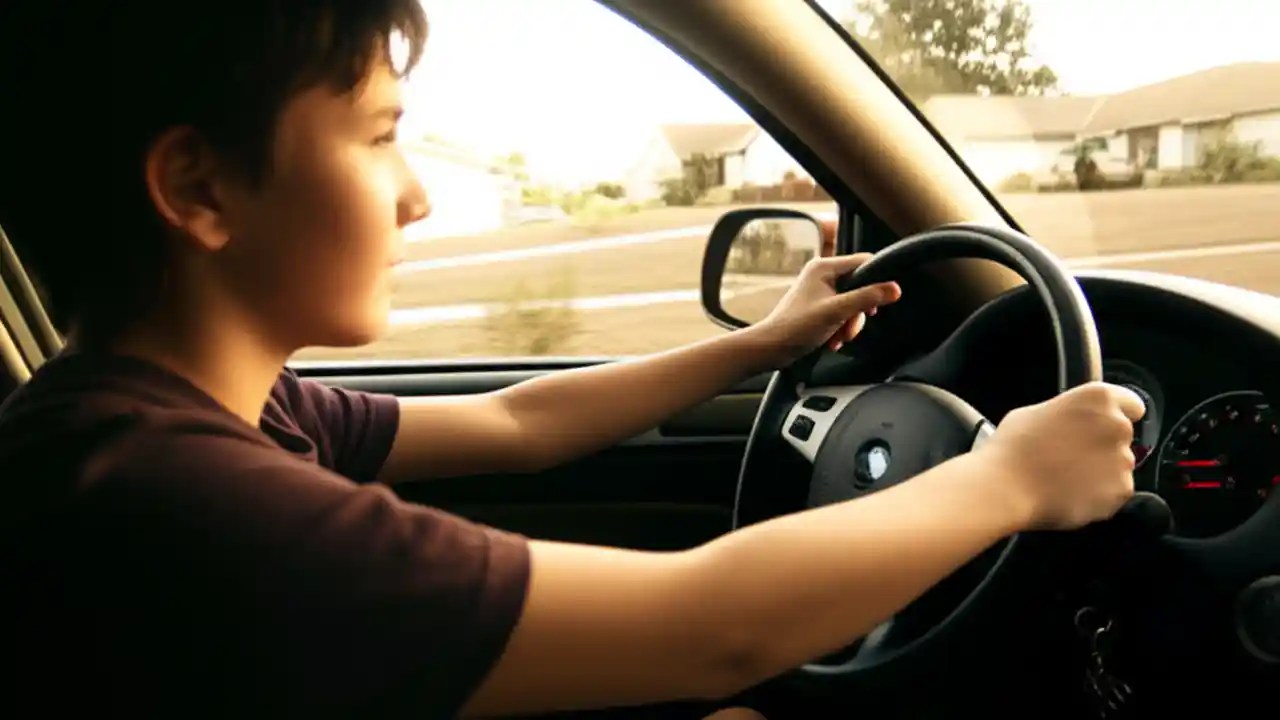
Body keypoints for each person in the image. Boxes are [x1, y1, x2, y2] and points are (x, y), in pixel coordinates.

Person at [0, 1, 1144, 717]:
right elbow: (714, 628)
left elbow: (519, 423)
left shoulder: (189, 418)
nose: (417, 197)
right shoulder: (171, 503)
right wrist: (1009, 481)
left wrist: (759, 344)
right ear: (198, 189)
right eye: (379, 136)